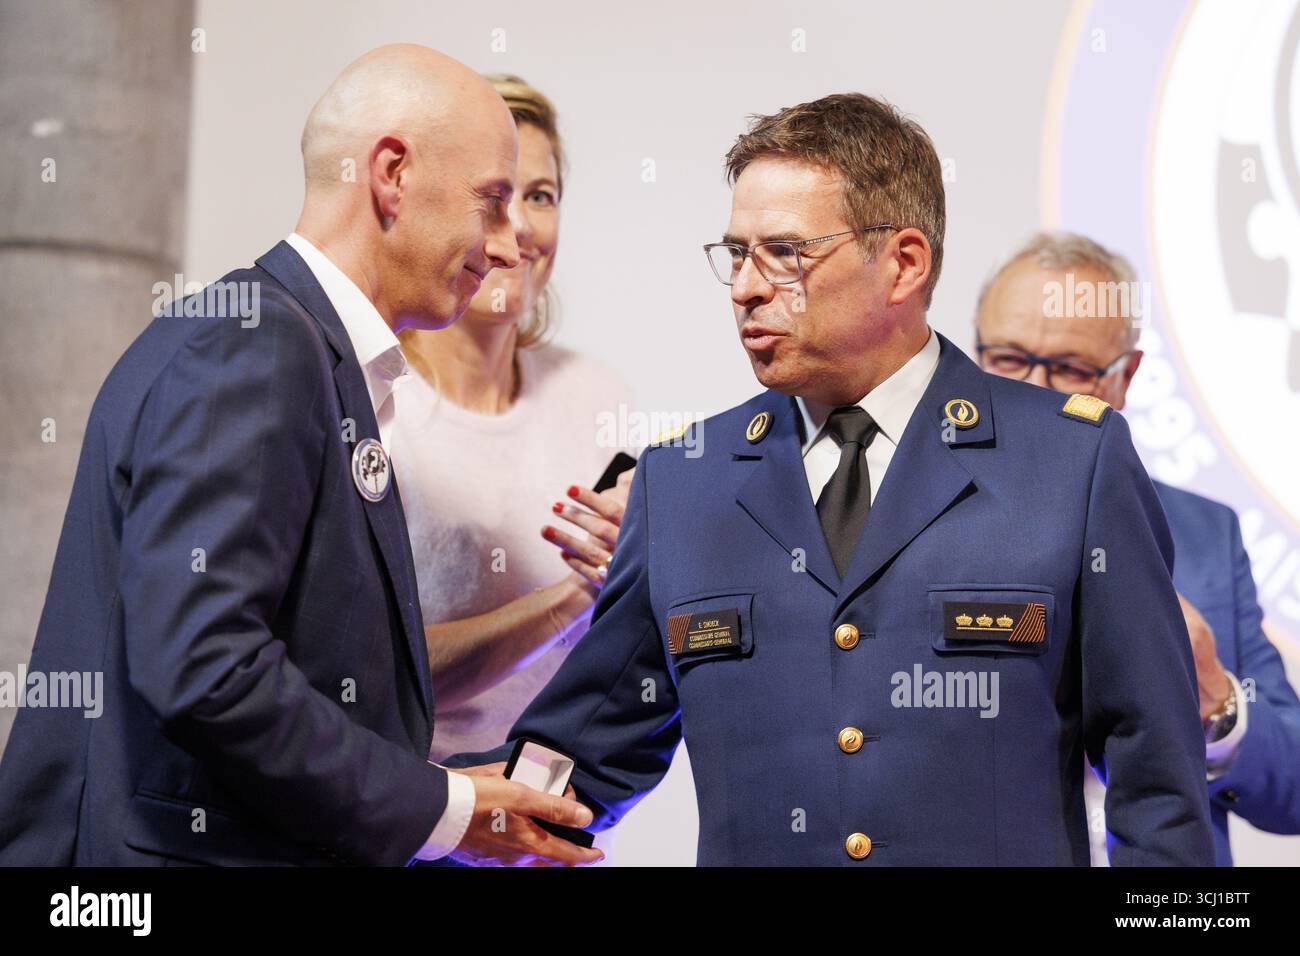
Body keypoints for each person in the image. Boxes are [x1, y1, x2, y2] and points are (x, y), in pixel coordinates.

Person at [447, 92, 1215, 866]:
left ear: (903, 264)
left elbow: (1159, 786)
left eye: (785, 253)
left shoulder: (1070, 464)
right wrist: (411, 811)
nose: (746, 287)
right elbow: (576, 760)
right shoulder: (683, 484)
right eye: (736, 254)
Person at [0, 44, 599, 867]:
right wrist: (444, 803)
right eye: (492, 201)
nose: (508, 244)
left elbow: (308, 678)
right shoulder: (260, 347)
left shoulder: (294, 347)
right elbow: (208, 669)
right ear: (391, 176)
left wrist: (462, 794)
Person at [973, 230, 1300, 865]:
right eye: (1009, 360)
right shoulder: (908, 521)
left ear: (1124, 379)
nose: (1037, 391)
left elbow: (1292, 786)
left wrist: (1216, 701)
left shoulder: (1205, 536)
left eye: (1070, 369)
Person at [394, 74, 635, 765]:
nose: (522, 227)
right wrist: (577, 593)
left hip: (551, 817)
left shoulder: (598, 394)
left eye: (541, 196)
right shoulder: (374, 400)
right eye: (494, 196)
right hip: (408, 820)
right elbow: (368, 676)